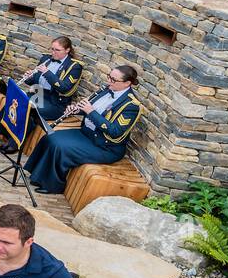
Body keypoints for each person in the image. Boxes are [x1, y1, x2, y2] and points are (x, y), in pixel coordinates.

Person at [23, 64, 143, 194]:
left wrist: (90, 111)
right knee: (49, 137)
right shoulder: (106, 90)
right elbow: (88, 109)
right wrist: (76, 110)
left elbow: (115, 132)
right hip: (87, 134)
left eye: (113, 80)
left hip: (104, 146)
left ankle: (53, 186)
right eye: (109, 77)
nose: (109, 81)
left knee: (61, 147)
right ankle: (38, 176)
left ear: (127, 83)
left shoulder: (131, 105)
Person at [0, 36, 82, 154]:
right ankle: (0, 130)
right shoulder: (46, 58)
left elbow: (64, 88)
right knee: (15, 100)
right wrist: (29, 77)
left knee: (29, 111)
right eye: (52, 49)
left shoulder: (74, 67)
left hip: (56, 103)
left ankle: (15, 143)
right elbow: (34, 81)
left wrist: (47, 72)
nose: (53, 52)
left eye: (57, 50)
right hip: (38, 93)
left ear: (67, 50)